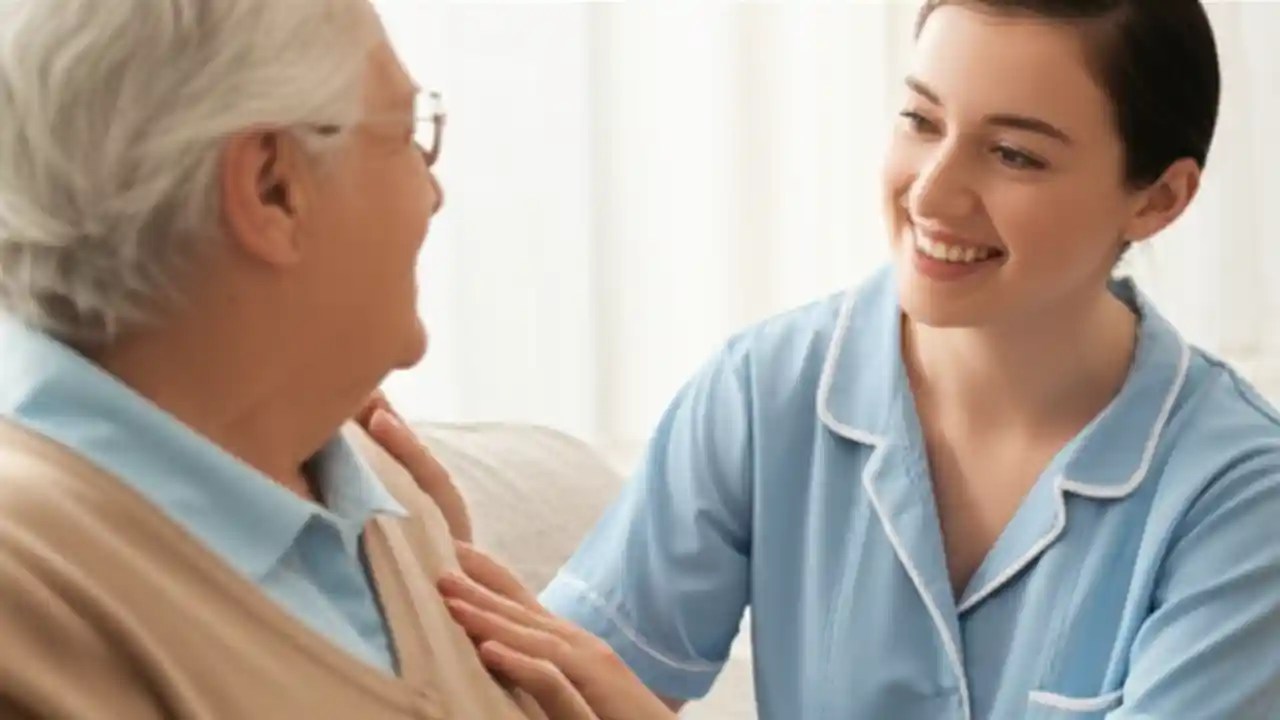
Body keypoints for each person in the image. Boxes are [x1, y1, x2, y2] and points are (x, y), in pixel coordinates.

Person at [431, 0, 1280, 718]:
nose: (932, 193)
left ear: (1159, 198)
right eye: (921, 120)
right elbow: (565, 688)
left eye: (1014, 153)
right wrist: (432, 564)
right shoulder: (765, 393)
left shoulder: (1241, 500)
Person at [0, 0, 564, 717]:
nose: (433, 193)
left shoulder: (380, 490)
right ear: (272, 187)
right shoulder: (29, 612)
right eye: (406, 135)